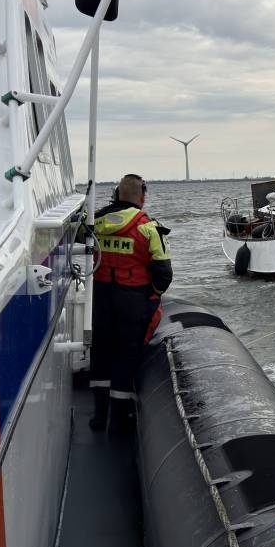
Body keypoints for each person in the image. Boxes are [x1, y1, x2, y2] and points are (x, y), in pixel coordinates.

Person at [89, 173, 172, 431]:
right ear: (142, 196)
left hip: (101, 296)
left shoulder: (96, 221)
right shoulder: (148, 227)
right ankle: (119, 420)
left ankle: (99, 416)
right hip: (133, 300)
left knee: (101, 352)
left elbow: (82, 239)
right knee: (127, 354)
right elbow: (164, 273)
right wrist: (154, 294)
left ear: (116, 194)